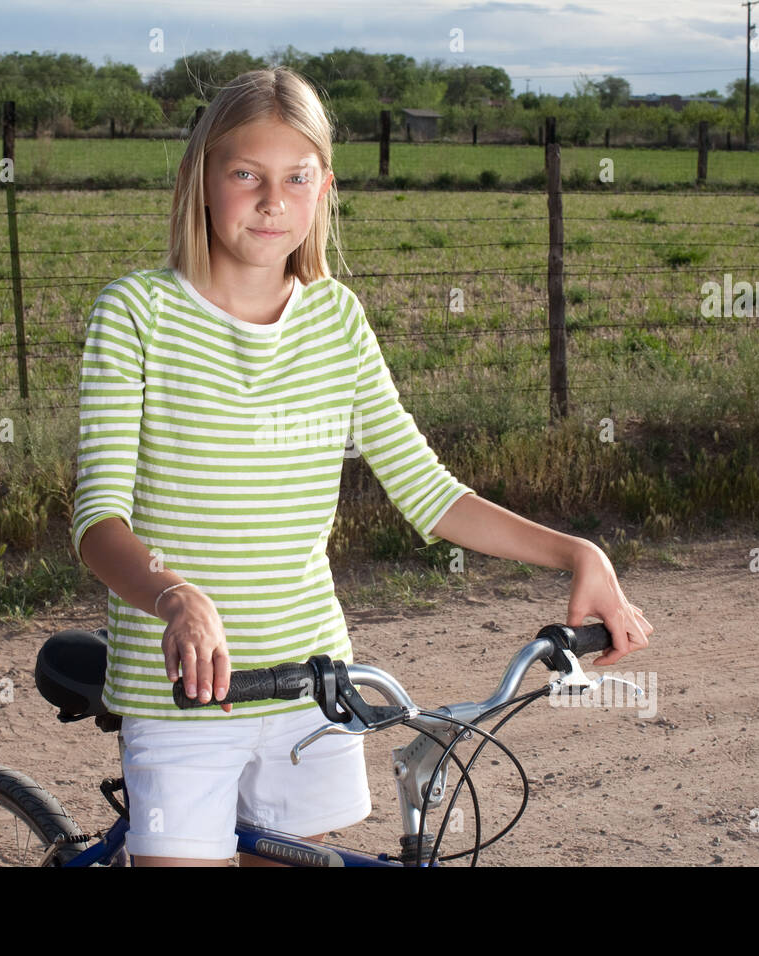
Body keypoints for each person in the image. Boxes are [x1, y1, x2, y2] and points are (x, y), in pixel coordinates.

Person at [72, 68, 652, 867]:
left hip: (312, 686)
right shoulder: (137, 312)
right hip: (182, 696)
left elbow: (428, 491)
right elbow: (98, 523)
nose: (272, 199)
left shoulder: (337, 320)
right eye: (247, 174)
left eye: (296, 177)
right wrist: (176, 598)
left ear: (324, 189)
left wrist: (580, 554)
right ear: (200, 179)